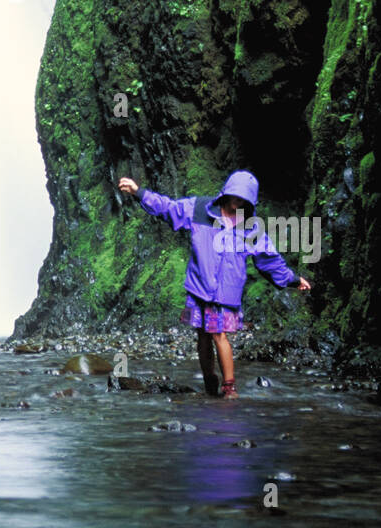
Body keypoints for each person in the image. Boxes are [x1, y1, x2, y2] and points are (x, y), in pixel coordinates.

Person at [117, 170, 311, 399]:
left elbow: (268, 258)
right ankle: (210, 381)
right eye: (234, 197)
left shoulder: (250, 227)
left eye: (243, 200)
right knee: (202, 334)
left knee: (219, 333)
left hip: (226, 292)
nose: (237, 203)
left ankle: (230, 387)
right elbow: (168, 208)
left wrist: (292, 279)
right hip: (199, 286)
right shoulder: (199, 209)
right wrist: (140, 193)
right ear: (226, 194)